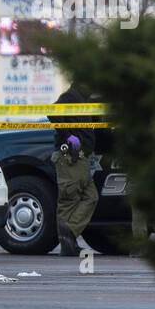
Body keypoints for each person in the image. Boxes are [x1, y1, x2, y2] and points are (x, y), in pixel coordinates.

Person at [49, 82, 99, 256]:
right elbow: (53, 113)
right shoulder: (71, 96)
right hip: (70, 157)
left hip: (81, 158)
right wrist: (67, 135)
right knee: (68, 201)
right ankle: (67, 243)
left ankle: (69, 234)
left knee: (90, 197)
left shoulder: (82, 99)